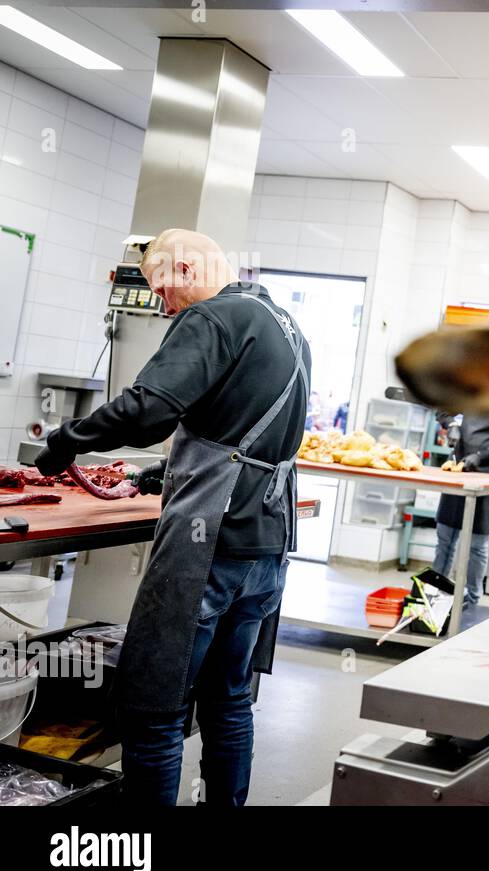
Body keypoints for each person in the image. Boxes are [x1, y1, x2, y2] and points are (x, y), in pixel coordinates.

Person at [35, 228, 311, 806]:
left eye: (161, 290)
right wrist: (161, 475)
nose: (163, 307)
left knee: (154, 711)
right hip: (266, 544)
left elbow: (152, 409)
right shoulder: (284, 325)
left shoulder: (213, 317)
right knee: (229, 700)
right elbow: (242, 430)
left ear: (184, 267)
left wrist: (67, 441)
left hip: (208, 543)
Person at [431, 410, 489, 608]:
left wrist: (481, 457)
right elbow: (442, 409)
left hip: (486, 475)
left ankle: (473, 599)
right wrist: (452, 426)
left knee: (477, 543)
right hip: (456, 469)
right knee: (445, 535)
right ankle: (433, 592)